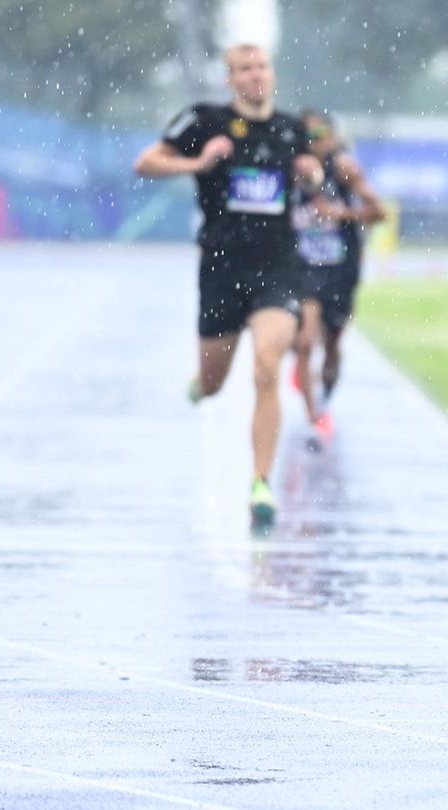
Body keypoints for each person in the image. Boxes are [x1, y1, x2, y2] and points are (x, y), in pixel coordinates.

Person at [134, 43, 333, 528]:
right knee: (214, 382)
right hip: (222, 268)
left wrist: (312, 175)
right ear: (230, 79)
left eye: (262, 66)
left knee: (267, 366)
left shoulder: (291, 129)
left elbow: (314, 177)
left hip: (277, 267)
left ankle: (261, 483)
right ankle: (202, 383)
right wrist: (198, 163)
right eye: (245, 69)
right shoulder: (205, 121)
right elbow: (146, 162)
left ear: (272, 74)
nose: (255, 75)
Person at [289, 109, 386, 444]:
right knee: (304, 342)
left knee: (331, 345)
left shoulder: (344, 169)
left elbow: (379, 213)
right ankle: (313, 415)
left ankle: (325, 391)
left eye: (318, 136)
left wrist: (339, 213)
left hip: (340, 269)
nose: (311, 143)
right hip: (303, 269)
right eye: (305, 137)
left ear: (331, 139)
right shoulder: (289, 169)